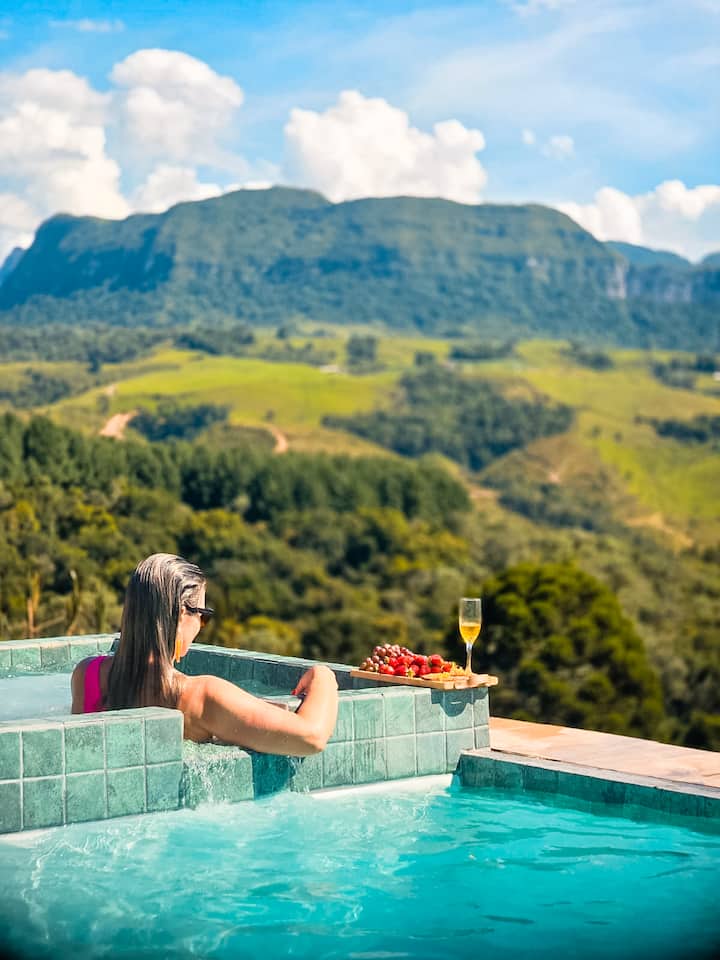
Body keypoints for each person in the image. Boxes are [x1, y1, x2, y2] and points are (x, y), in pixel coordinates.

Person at [71, 553, 338, 756]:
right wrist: (324, 677)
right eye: (203, 615)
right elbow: (311, 738)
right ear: (181, 614)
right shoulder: (203, 697)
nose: (201, 626)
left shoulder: (87, 675)